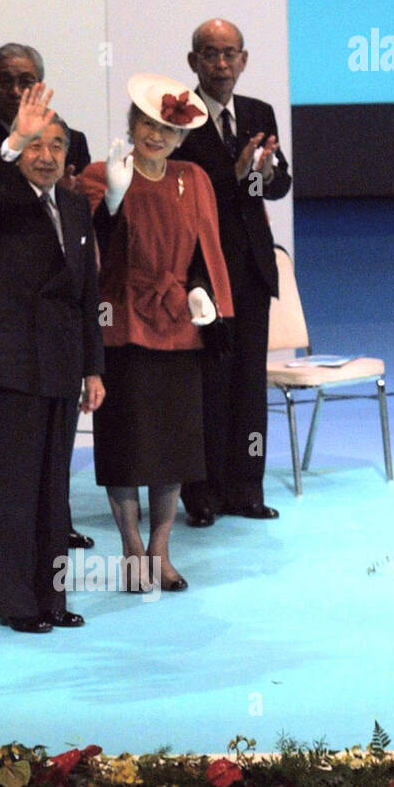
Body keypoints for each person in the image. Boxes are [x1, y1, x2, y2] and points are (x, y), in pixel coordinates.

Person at [79, 74, 233, 592]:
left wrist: (198, 290)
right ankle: (130, 551)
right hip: (122, 325)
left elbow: (206, 252)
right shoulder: (101, 175)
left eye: (167, 128)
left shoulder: (195, 177)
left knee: (173, 449)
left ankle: (161, 552)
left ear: (181, 136)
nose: (156, 135)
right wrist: (114, 203)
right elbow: (91, 252)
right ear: (132, 124)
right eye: (147, 124)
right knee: (124, 447)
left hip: (177, 327)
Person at [0, 83, 105, 633]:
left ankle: (52, 598)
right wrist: (8, 143)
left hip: (62, 365)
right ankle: (18, 604)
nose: (46, 156)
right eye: (34, 146)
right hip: (11, 364)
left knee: (53, 493)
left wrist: (93, 367)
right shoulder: (1, 202)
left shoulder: (73, 205)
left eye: (56, 146)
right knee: (12, 491)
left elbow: (89, 292)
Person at [0, 43, 93, 551]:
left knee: (56, 435)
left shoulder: (66, 138)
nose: (14, 90)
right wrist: (13, 145)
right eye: (3, 80)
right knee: (10, 442)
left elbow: (84, 219)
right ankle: (6, 527)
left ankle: (56, 521)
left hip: (59, 318)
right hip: (3, 310)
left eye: (24, 80)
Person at [176, 19, 291, 526]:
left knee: (248, 384)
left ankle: (246, 488)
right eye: (210, 54)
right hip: (199, 271)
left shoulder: (259, 112)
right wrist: (237, 175)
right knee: (204, 386)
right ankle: (201, 495)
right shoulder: (177, 114)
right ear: (193, 61)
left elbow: (279, 183)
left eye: (229, 54)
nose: (220, 64)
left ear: (243, 59)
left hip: (250, 268)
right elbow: (181, 191)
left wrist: (264, 174)